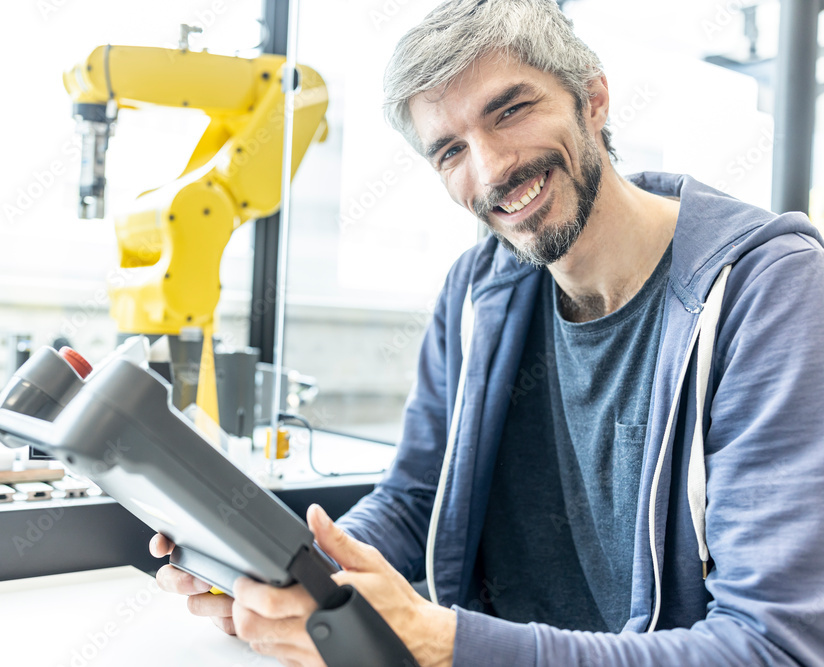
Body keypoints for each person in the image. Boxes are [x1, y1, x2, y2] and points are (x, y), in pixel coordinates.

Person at [152, 0, 824, 664]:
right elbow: (415, 501)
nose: (492, 167)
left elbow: (770, 646)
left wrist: (444, 642)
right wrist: (289, 571)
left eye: (511, 110)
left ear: (592, 99)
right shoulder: (478, 292)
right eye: (451, 150)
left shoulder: (770, 292)